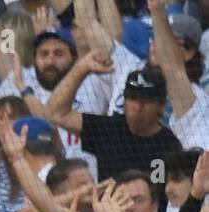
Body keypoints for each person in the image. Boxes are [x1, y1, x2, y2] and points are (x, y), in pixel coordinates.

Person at [44, 63, 184, 185]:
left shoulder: (169, 145)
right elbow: (55, 114)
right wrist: (82, 68)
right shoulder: (107, 128)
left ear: (161, 105)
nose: (137, 107)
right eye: (132, 98)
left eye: (145, 100)